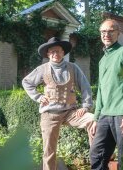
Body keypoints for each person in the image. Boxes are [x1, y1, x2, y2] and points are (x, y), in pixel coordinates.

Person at [22, 37, 94, 170]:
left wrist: (85, 106)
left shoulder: (73, 68)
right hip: (50, 114)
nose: (56, 54)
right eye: (52, 52)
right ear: (48, 54)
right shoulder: (42, 69)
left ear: (63, 53)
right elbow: (26, 82)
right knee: (49, 151)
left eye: (58, 51)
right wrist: (38, 97)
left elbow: (85, 87)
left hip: (70, 112)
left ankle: (97, 160)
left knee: (93, 120)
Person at [90, 19, 123, 170]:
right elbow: (101, 90)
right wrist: (96, 117)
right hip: (105, 115)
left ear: (118, 33)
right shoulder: (102, 60)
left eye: (111, 31)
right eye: (103, 31)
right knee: (96, 155)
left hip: (122, 114)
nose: (106, 34)